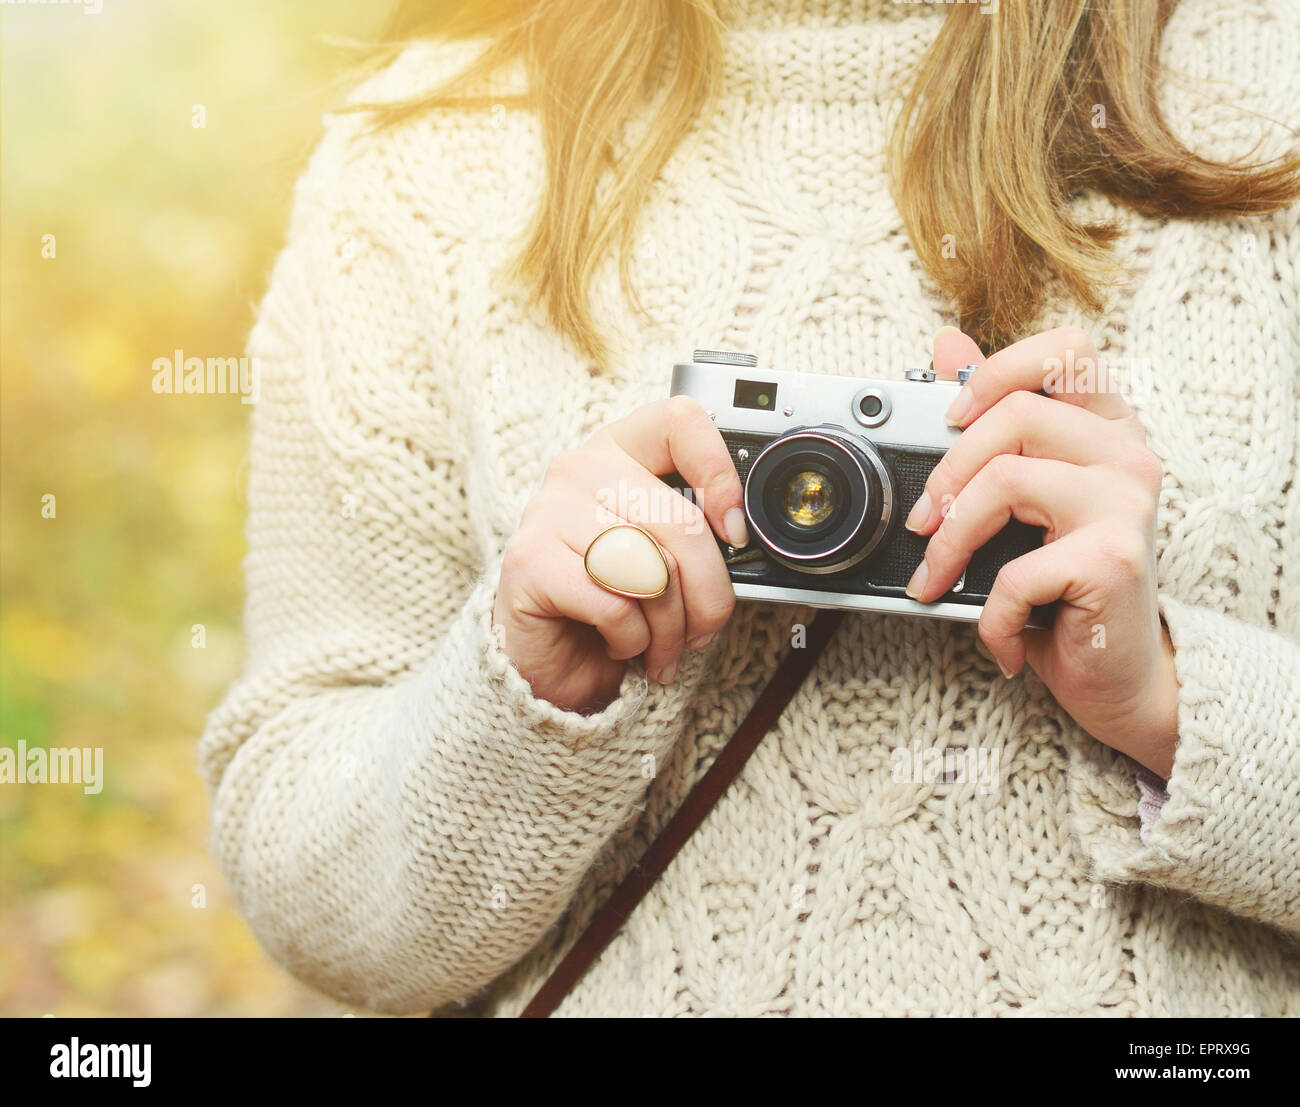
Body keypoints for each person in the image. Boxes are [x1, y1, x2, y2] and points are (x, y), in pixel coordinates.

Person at [200, 0, 1300, 1016]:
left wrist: (1166, 697)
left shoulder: (1270, 91)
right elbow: (310, 889)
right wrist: (520, 697)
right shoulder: (429, 159)